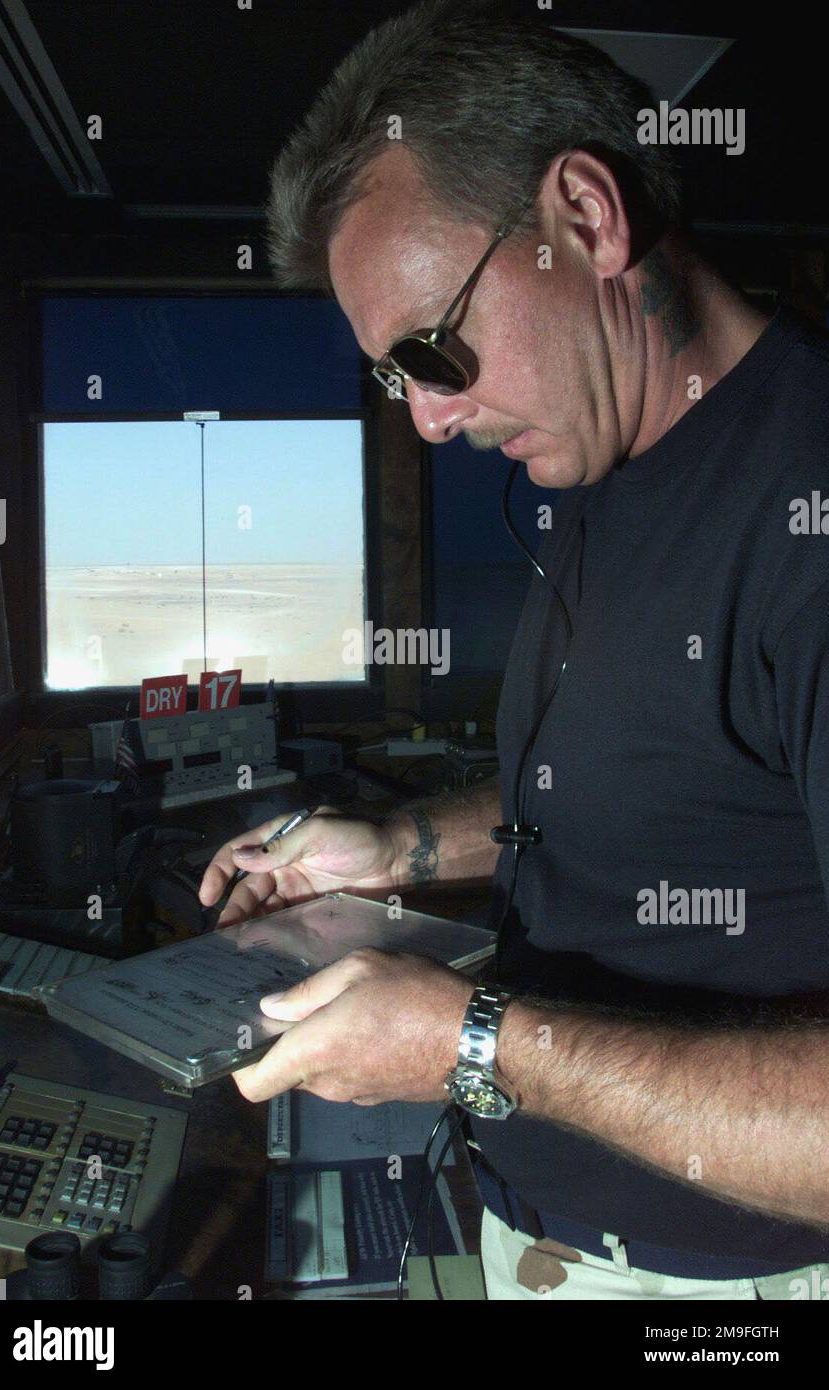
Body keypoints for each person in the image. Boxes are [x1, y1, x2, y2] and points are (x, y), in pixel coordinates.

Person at [199, 1, 829, 1299]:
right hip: (546, 1226)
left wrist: (474, 1039)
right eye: (393, 380)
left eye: (433, 348)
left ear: (584, 219)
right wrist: (393, 851)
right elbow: (652, 784)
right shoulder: (608, 464)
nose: (427, 420)